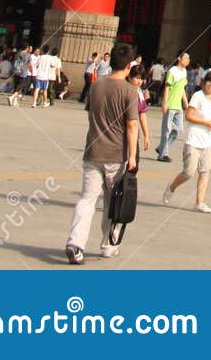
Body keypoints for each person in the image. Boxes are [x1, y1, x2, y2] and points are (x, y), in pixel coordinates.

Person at [65, 42, 140, 265]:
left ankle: (75, 243)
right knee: (112, 203)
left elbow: (91, 114)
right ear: (128, 66)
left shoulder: (96, 86)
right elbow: (132, 126)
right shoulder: (129, 91)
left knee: (87, 199)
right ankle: (108, 246)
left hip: (92, 151)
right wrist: (133, 158)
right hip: (116, 155)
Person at [163, 71, 211, 213]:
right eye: (209, 81)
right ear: (204, 82)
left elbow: (209, 117)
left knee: (205, 172)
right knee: (188, 173)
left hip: (207, 142)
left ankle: (199, 203)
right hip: (193, 140)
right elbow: (188, 116)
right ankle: (171, 188)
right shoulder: (197, 96)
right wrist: (205, 122)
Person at [156, 52, 190, 162]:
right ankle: (162, 155)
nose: (188, 60)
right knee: (166, 130)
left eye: (188, 58)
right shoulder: (172, 71)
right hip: (170, 104)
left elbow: (182, 89)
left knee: (178, 130)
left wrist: (186, 103)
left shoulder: (184, 72)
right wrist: (164, 103)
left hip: (178, 106)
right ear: (179, 58)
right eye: (186, 58)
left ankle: (162, 148)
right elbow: (167, 87)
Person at [128, 64, 152, 156]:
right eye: (137, 78)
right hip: (120, 134)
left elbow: (142, 115)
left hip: (133, 134)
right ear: (129, 77)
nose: (139, 81)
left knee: (133, 165)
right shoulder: (124, 91)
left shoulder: (140, 93)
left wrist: (146, 135)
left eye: (141, 79)